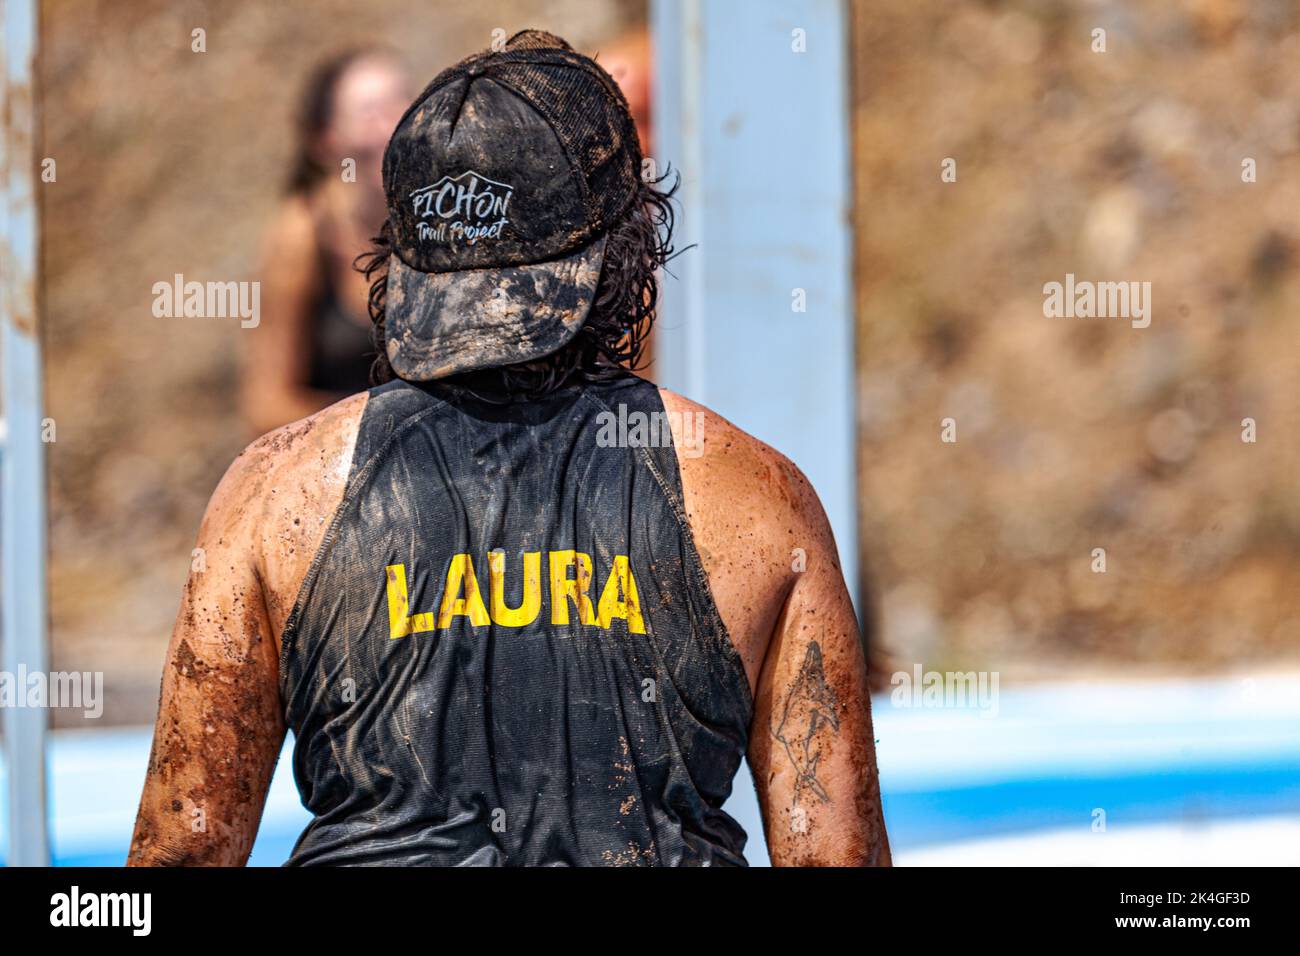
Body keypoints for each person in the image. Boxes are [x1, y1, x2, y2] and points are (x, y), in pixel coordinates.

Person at [128, 29, 889, 867]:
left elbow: (177, 857)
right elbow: (835, 855)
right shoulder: (757, 497)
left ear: (403, 260)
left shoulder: (274, 495)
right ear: (632, 241)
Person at [242, 48, 411, 436]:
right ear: (325, 141)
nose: (392, 126)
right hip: (338, 454)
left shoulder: (436, 215)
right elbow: (266, 403)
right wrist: (386, 425)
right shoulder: (302, 238)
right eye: (370, 112)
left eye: (401, 102)